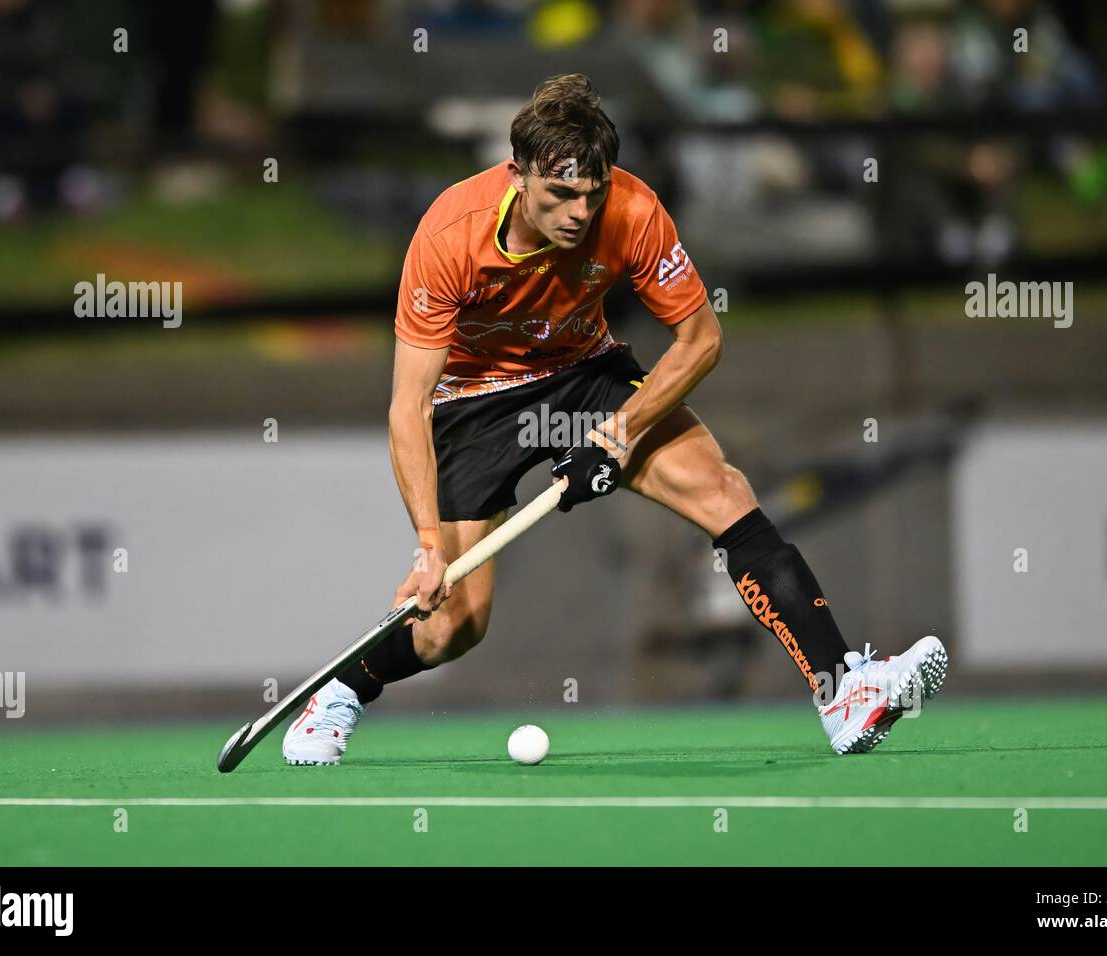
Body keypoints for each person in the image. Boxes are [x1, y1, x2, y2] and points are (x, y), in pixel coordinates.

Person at [283, 73, 946, 765]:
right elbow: (407, 407)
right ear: (518, 175)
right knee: (455, 623)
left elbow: (701, 340)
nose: (578, 212)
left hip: (583, 372)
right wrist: (426, 546)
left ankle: (842, 691)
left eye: (590, 195)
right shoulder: (450, 235)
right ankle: (339, 692)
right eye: (560, 194)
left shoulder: (632, 209)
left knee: (724, 491)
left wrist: (619, 432)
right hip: (471, 402)